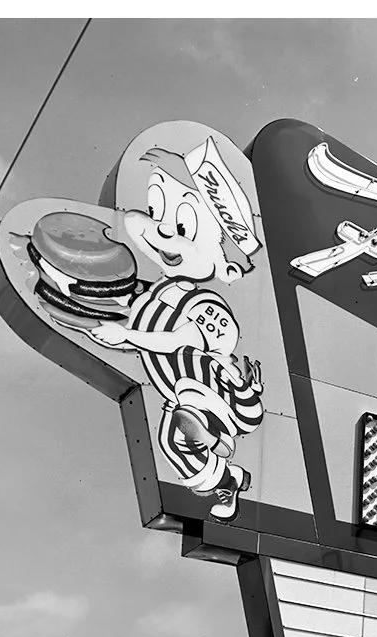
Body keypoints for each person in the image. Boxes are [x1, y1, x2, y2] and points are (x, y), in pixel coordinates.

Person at [89, 137, 265, 522]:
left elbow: (181, 340)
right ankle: (229, 475)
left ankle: (218, 438)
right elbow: (135, 304)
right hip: (178, 389)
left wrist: (126, 336)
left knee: (183, 421)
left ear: (226, 264)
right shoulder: (158, 291)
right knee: (171, 443)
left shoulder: (208, 306)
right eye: (155, 210)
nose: (165, 230)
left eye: (185, 224)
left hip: (210, 387)